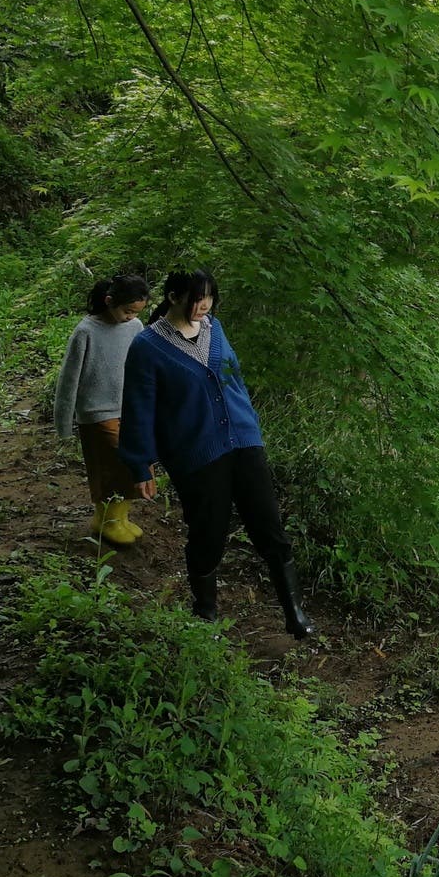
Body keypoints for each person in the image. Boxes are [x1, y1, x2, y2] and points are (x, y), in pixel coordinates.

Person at [118, 269, 314, 638]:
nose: (203, 304)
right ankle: (205, 613)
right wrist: (140, 463)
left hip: (244, 442)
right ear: (174, 296)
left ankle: (295, 612)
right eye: (196, 297)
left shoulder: (214, 330)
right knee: (208, 532)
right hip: (196, 454)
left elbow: (234, 379)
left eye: (209, 296)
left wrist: (250, 422)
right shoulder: (146, 346)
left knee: (269, 526)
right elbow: (139, 407)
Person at [54, 274, 152, 546]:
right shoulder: (86, 331)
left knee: (135, 466)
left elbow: (143, 367)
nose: (131, 316)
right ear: (109, 301)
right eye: (127, 310)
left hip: (128, 410)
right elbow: (68, 379)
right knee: (111, 469)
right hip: (96, 413)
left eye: (136, 312)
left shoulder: (135, 327)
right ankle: (107, 521)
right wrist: (64, 422)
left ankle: (118, 518)